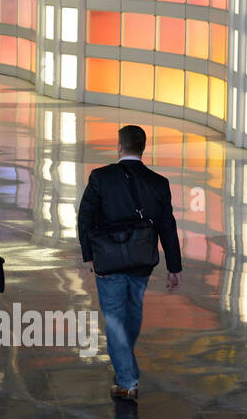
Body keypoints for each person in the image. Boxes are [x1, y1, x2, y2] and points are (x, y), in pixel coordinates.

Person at [76, 124, 182, 401]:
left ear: (119, 147)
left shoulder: (101, 177)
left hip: (108, 261)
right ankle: (125, 365)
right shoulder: (159, 183)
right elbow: (168, 227)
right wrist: (174, 267)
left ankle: (127, 378)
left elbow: (85, 217)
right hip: (142, 259)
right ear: (143, 148)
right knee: (133, 311)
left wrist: (89, 255)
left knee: (113, 318)